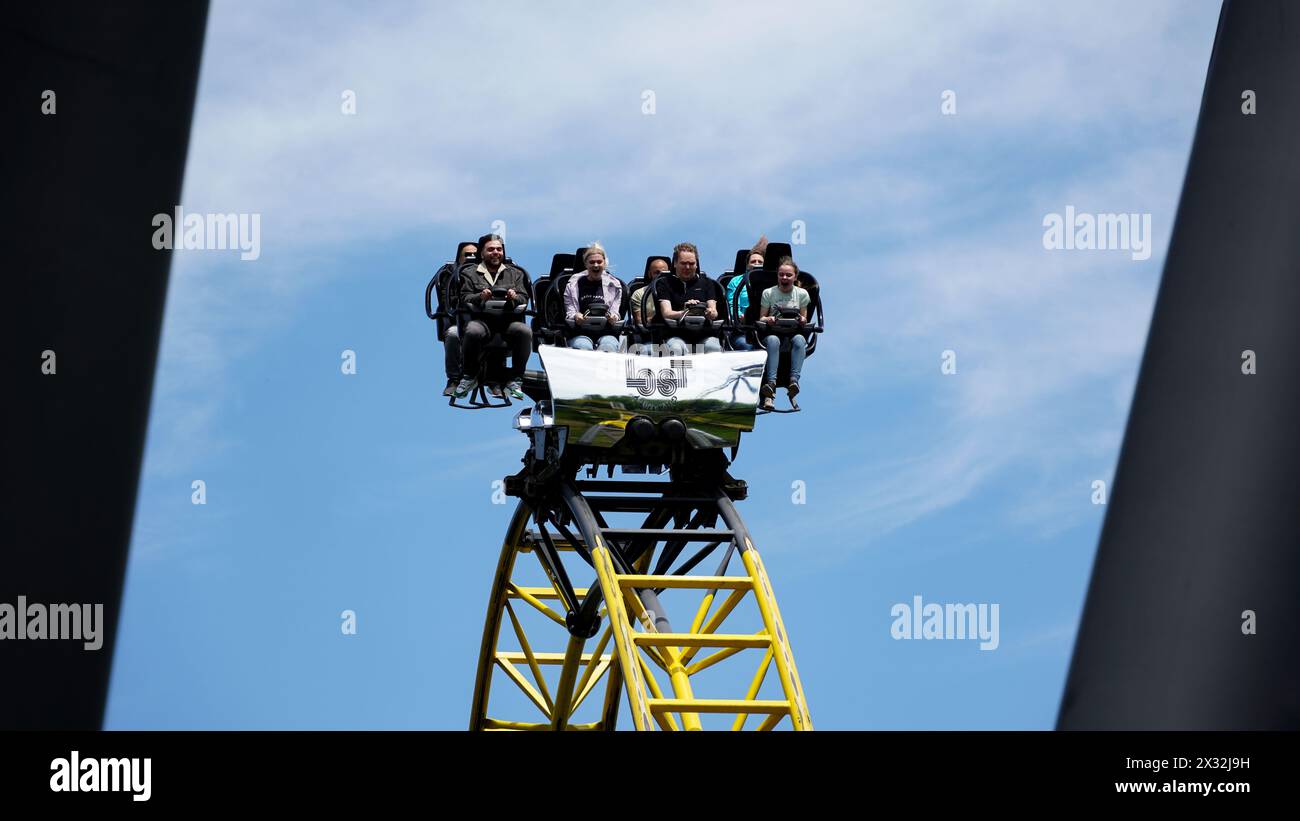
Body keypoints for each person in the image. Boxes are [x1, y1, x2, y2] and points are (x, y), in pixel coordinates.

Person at [456, 233, 533, 399]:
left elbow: (524, 298)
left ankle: (516, 378)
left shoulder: (515, 273)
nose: (496, 252)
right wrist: (480, 297)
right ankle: (469, 376)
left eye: (499, 249)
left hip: (507, 322)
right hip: (482, 321)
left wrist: (514, 298)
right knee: (472, 331)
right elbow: (464, 298)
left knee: (525, 331)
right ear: (482, 253)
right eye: (491, 249)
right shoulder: (469, 273)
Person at [758, 256, 811, 410]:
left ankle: (793, 381)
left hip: (792, 333)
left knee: (800, 340)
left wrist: (802, 320)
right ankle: (771, 383)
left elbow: (804, 318)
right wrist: (769, 319)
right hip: (773, 332)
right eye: (781, 275)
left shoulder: (801, 294)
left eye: (788, 275)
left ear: (795, 277)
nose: (784, 278)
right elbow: (761, 317)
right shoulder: (769, 293)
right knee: (773, 340)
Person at [655, 242, 721, 355]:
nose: (687, 267)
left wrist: (707, 311)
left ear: (696, 264)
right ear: (675, 263)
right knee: (676, 348)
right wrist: (686, 311)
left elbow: (714, 312)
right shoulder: (664, 283)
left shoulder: (707, 283)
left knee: (713, 347)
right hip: (676, 334)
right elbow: (666, 313)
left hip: (704, 334)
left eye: (691, 263)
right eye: (683, 263)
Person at [563, 243, 624, 352]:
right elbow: (570, 312)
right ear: (586, 264)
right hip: (580, 333)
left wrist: (613, 317)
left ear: (604, 263)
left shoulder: (614, 285)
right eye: (592, 262)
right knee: (584, 347)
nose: (596, 265)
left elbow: (615, 312)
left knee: (608, 347)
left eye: (599, 262)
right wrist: (576, 316)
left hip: (606, 332)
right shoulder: (573, 284)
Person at [439, 242, 477, 396]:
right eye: (467, 255)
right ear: (459, 258)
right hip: (460, 322)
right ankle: (454, 379)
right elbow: (447, 301)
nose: (472, 258)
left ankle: (497, 378)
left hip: (489, 322)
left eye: (475, 254)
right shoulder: (449, 275)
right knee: (454, 333)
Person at [726, 235, 767, 351]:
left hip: (766, 329)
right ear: (747, 265)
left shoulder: (770, 281)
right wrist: (741, 317)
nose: (757, 264)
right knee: (748, 347)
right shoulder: (736, 282)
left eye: (760, 261)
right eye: (753, 261)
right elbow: (732, 305)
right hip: (743, 330)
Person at [631, 257, 669, 327]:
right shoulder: (639, 294)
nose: (660, 276)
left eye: (663, 273)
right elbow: (639, 321)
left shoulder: (677, 291)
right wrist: (658, 319)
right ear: (650, 274)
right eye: (656, 273)